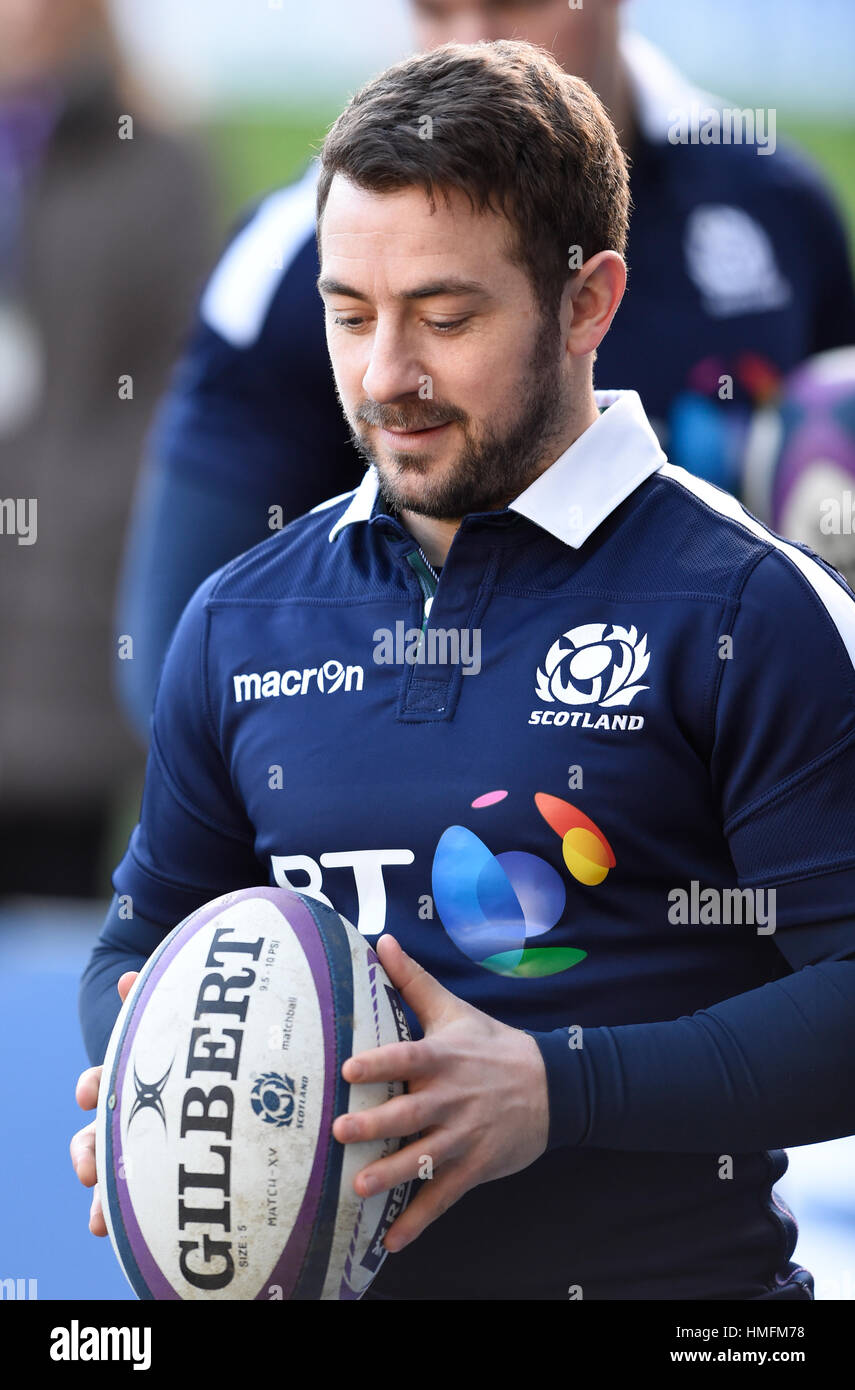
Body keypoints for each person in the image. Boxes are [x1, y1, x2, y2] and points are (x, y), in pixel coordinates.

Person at [72, 38, 855, 1302]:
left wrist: (557, 1090)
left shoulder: (748, 608)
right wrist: (160, 1087)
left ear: (589, 302)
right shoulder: (240, 621)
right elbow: (137, 942)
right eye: (349, 315)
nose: (387, 376)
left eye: (446, 316)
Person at [114, 0, 855, 743]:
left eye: (511, 3)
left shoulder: (775, 207)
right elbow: (177, 663)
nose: (472, 43)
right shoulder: (287, 260)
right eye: (434, 11)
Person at [0, 0, 213, 896]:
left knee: (45, 935)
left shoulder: (156, 161)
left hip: (62, 622)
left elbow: (185, 396)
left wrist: (86, 533)